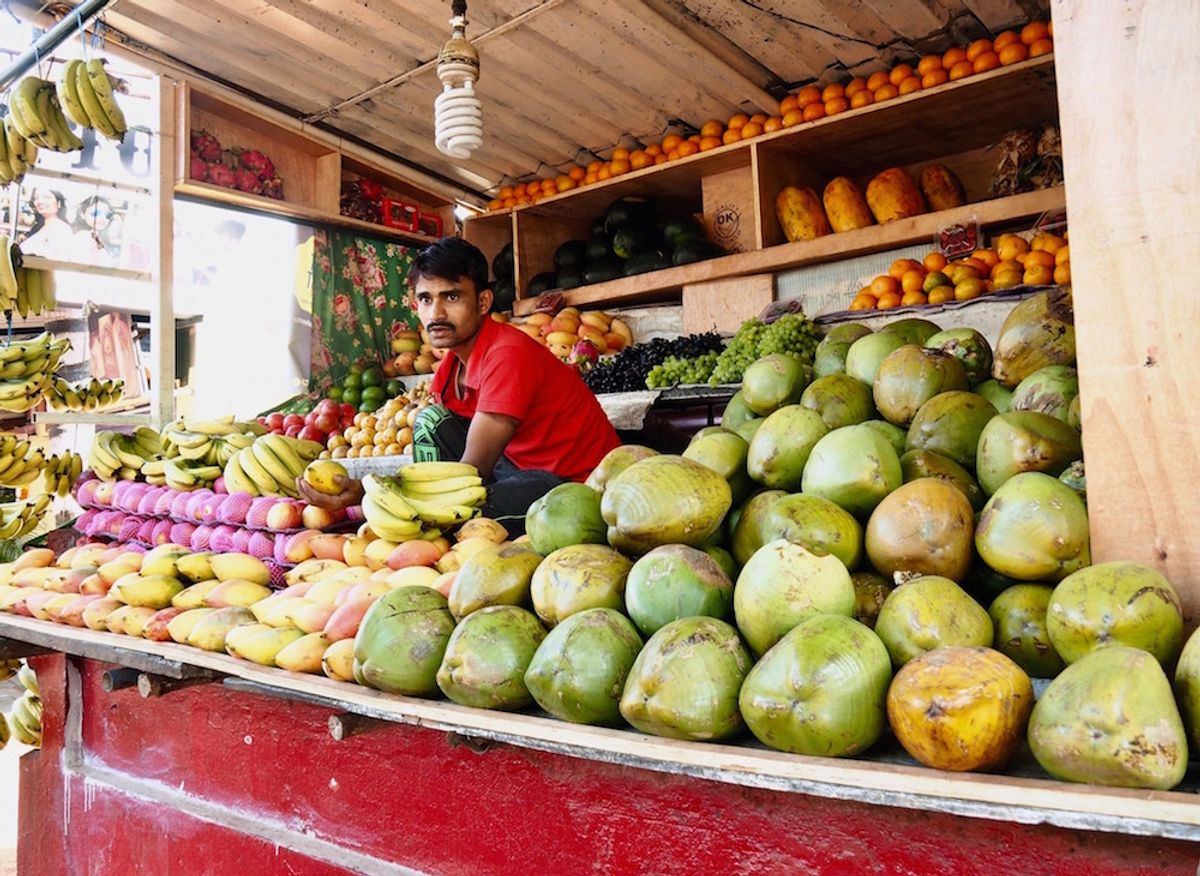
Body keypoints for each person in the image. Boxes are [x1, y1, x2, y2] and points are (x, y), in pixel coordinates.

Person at [300, 237, 620, 535]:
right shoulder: (452, 365)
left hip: (576, 488)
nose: (436, 313)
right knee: (431, 422)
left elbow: (471, 472)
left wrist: (370, 492)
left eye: (451, 296)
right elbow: (450, 466)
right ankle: (424, 519)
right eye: (426, 299)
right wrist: (380, 489)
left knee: (468, 511)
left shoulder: (507, 354)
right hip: (520, 468)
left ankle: (426, 525)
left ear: (482, 302)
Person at [19, 188, 74, 259]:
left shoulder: (63, 230)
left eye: (47, 197)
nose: (39, 201)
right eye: (36, 198)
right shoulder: (37, 227)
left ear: (59, 203)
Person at [71, 195, 122, 266]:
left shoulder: (97, 237)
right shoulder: (83, 236)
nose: (102, 218)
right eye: (96, 213)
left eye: (107, 214)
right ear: (82, 214)